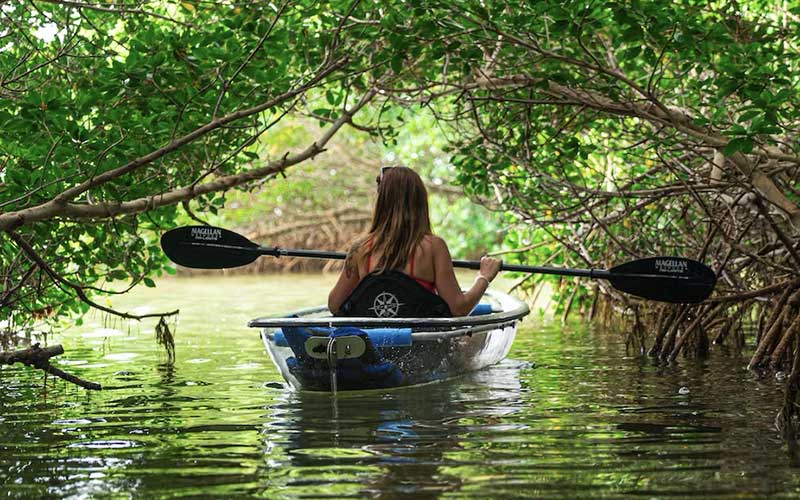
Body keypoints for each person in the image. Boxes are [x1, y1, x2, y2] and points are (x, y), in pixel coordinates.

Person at [327, 165, 502, 318]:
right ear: (419, 202)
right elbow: (459, 308)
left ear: (381, 202)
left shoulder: (361, 248)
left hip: (373, 340)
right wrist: (484, 277)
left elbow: (335, 305)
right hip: (422, 340)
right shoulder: (433, 247)